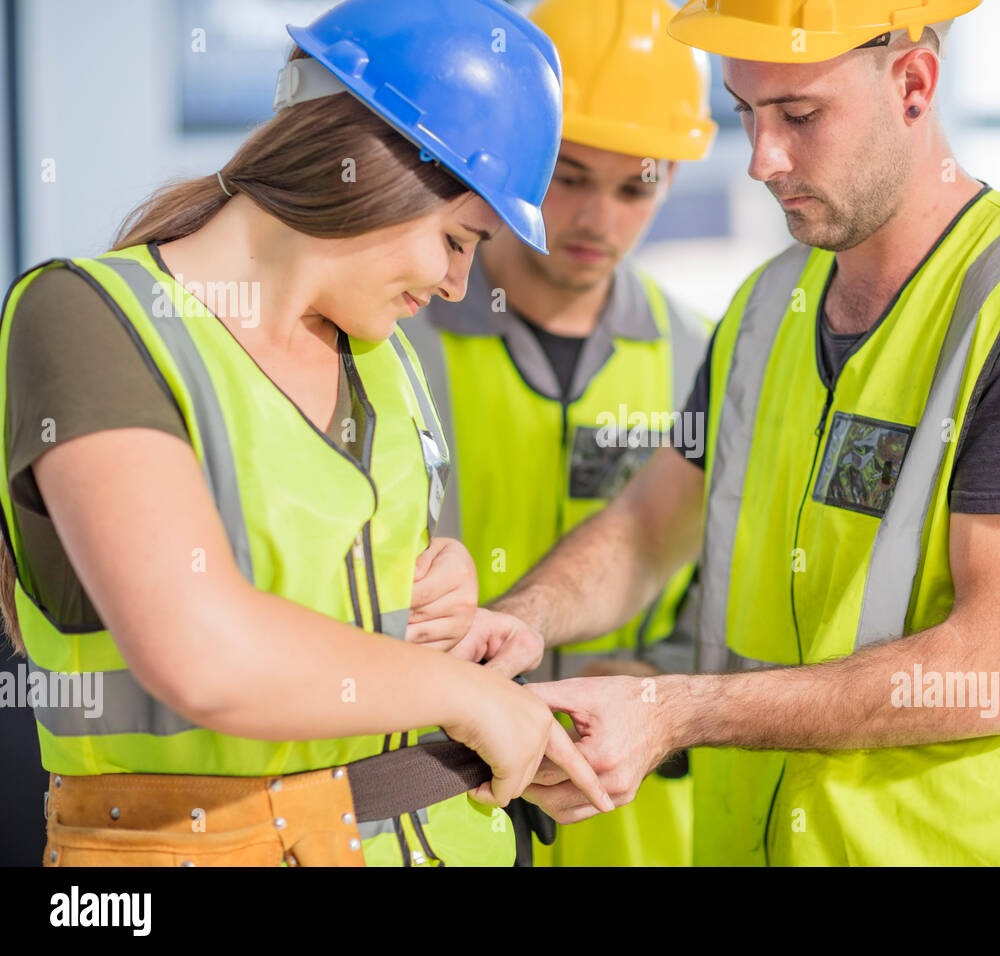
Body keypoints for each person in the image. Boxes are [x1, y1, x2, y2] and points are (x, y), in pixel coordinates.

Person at [465, 0, 1000, 865]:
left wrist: (678, 713)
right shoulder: (767, 308)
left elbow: (994, 670)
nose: (763, 159)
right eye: (746, 114)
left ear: (913, 84)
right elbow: (651, 527)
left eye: (800, 115)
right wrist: (522, 619)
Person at [0, 0, 609, 869]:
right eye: (456, 240)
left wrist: (448, 617)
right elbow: (198, 652)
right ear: (374, 167)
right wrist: (468, 699)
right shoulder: (85, 319)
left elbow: (341, 622)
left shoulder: (386, 357)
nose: (455, 284)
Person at [401, 0, 715, 868]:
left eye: (636, 186)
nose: (597, 220)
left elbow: (732, 592)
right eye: (569, 176)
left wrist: (655, 691)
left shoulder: (705, 355)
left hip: (634, 824)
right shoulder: (391, 340)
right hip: (435, 805)